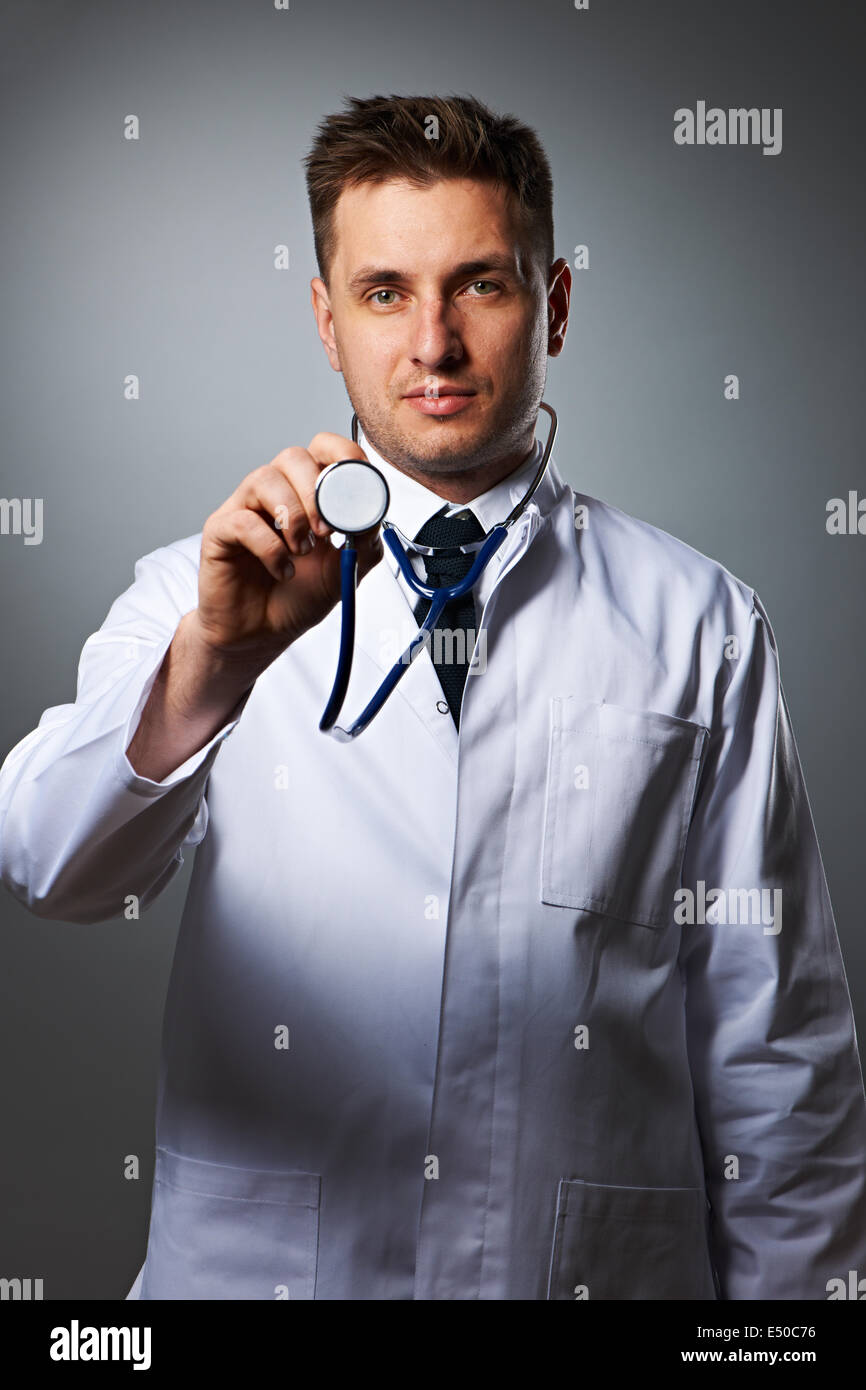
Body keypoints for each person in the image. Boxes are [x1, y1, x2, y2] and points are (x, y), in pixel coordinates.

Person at [1, 92, 864, 1302]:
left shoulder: (701, 623)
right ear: (324, 318)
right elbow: (49, 865)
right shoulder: (197, 594)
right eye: (384, 291)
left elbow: (773, 1048)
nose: (433, 346)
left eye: (481, 285)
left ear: (553, 301)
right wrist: (214, 669)